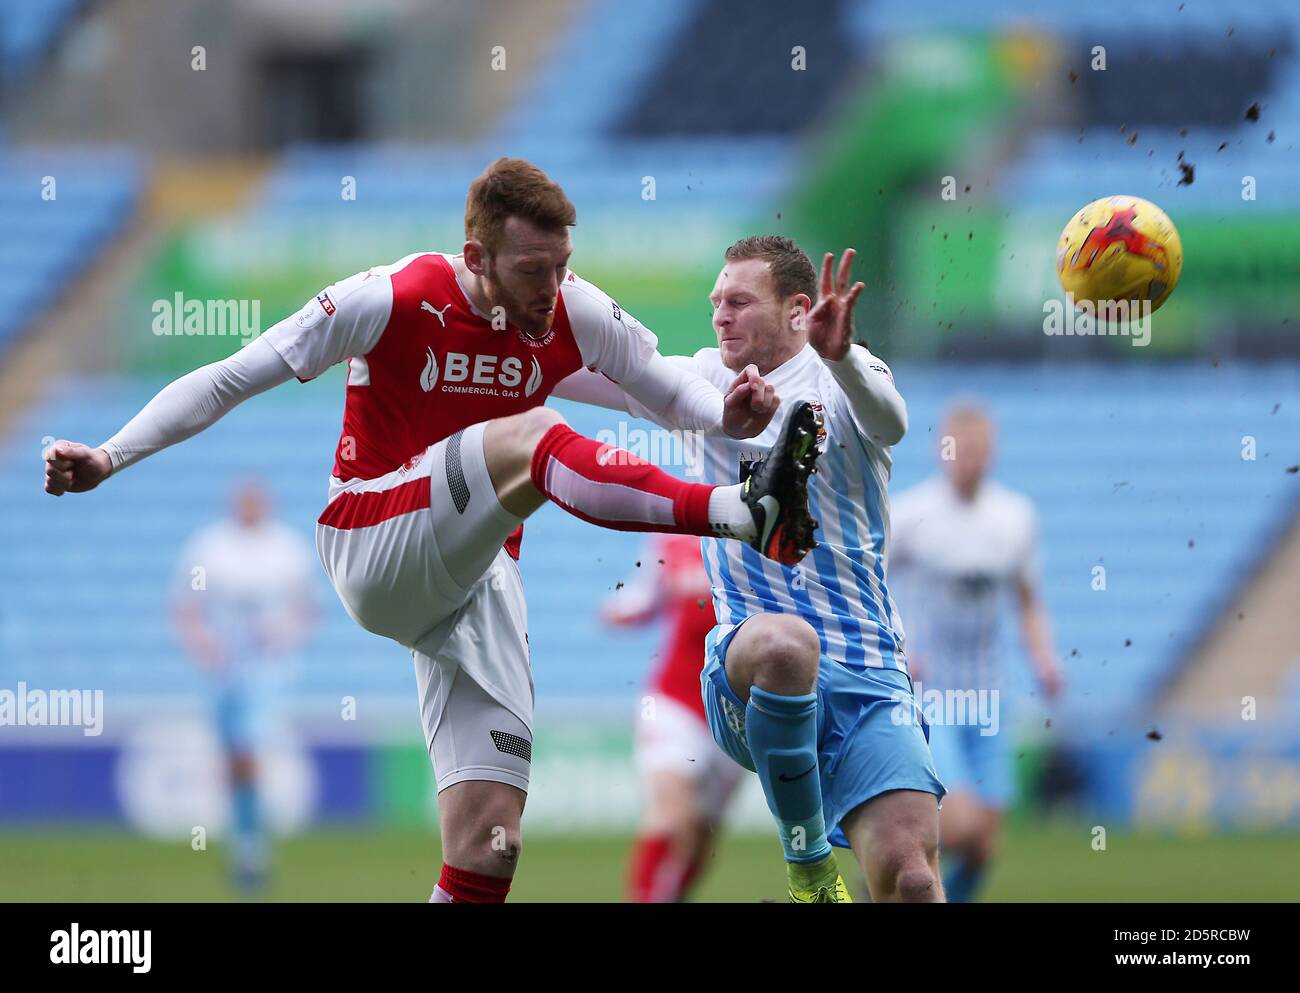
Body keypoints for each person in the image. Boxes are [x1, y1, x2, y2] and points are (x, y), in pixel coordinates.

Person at [43, 157, 822, 903]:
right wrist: (111, 455)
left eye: (562, 265)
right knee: (534, 433)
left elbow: (668, 392)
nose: (553, 288)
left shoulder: (571, 309)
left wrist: (728, 412)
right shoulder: (389, 298)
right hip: (372, 537)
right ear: (476, 254)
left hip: (473, 578)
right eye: (531, 270)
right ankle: (742, 512)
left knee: (491, 843)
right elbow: (233, 375)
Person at [555, 237, 946, 902]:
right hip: (747, 668)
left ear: (799, 310)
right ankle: (811, 870)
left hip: (870, 672)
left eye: (739, 301)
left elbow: (894, 422)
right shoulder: (702, 381)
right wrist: (503, 328)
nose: (720, 315)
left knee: (910, 878)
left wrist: (841, 352)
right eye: (716, 302)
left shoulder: (847, 377)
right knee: (786, 642)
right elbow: (588, 373)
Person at [890, 404, 1063, 902]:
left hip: (989, 695)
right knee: (960, 822)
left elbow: (1027, 599)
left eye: (980, 451)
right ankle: (892, 869)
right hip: (931, 694)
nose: (971, 461)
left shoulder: (1014, 517)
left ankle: (897, 881)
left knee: (984, 843)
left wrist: (1044, 659)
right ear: (942, 453)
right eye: (961, 450)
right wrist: (898, 646)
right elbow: (872, 581)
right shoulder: (913, 514)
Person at [172, 480, 315, 889]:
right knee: (233, 757)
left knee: (249, 750)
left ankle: (252, 851)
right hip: (221, 670)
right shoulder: (210, 546)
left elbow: (305, 607)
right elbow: (185, 606)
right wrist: (202, 643)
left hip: (268, 670)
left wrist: (283, 633)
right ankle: (245, 842)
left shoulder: (286, 547)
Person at [602, 534, 739, 903]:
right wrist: (620, 610)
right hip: (674, 701)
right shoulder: (672, 539)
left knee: (701, 836)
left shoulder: (764, 543)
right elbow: (643, 598)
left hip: (735, 717)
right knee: (673, 814)